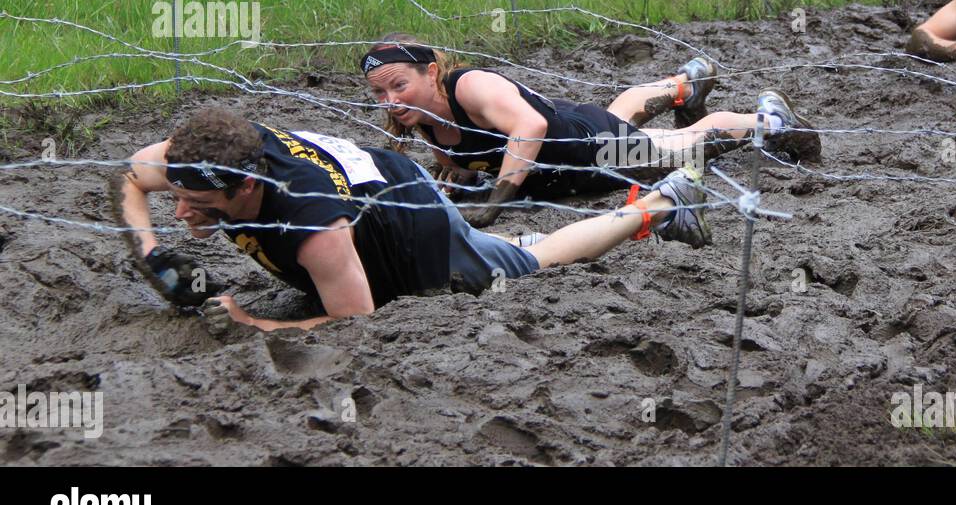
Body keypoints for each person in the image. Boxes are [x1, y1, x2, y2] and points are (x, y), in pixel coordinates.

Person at [114, 107, 718, 333]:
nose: (180, 209)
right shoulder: (214, 153)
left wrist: (256, 323)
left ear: (248, 185)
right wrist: (152, 255)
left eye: (196, 203)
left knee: (531, 263)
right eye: (180, 193)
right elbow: (131, 178)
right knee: (495, 247)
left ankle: (660, 205)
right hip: (379, 195)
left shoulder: (313, 223)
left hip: (415, 229)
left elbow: (355, 321)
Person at [362, 33, 821, 227]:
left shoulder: (468, 85)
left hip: (589, 153)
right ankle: (684, 85)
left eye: (398, 86)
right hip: (575, 139)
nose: (391, 101)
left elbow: (529, 124)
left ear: (429, 72)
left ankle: (771, 121)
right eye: (380, 95)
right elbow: (463, 158)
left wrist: (498, 198)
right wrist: (462, 179)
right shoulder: (421, 116)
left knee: (680, 149)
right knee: (621, 121)